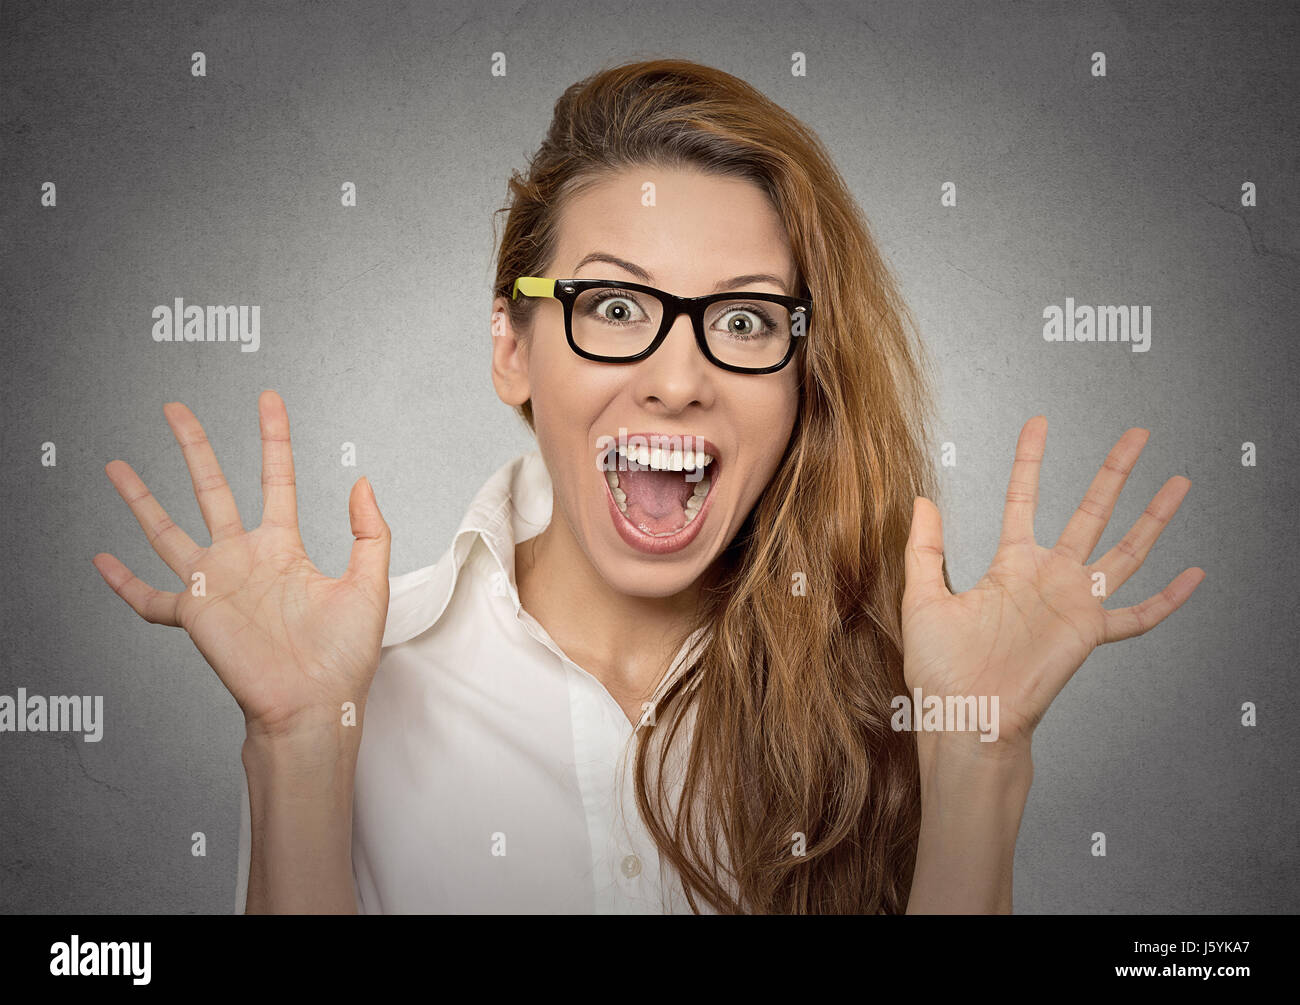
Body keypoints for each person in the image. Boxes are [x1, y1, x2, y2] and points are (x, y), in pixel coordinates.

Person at [92, 58, 1203, 914]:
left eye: (743, 320)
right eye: (615, 307)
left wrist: (978, 756)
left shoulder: (898, 700)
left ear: (805, 376)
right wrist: (295, 745)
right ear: (513, 347)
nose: (679, 379)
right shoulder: (347, 691)